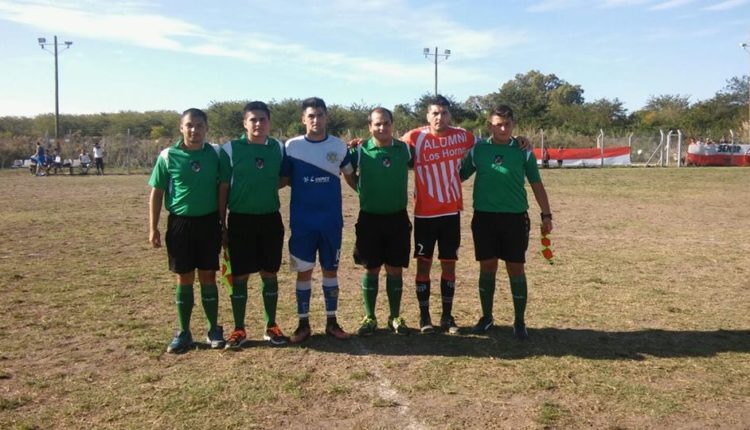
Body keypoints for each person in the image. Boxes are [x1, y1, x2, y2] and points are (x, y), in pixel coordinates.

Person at [459, 105, 553, 340]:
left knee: (516, 268)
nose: (502, 128)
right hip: (484, 218)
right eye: (497, 124)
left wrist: (546, 214)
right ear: (489, 125)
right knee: (487, 266)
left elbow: (536, 184)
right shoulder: (478, 150)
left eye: (507, 124)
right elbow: (457, 176)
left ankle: (519, 321)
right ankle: (487, 317)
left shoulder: (523, 151)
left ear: (513, 125)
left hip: (515, 218)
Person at [399, 95, 478, 334]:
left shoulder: (463, 136)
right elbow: (386, 144)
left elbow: (490, 143)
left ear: (450, 115)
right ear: (427, 116)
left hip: (450, 214)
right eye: (434, 113)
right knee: (423, 266)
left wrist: (519, 139)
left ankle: (447, 316)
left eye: (443, 113)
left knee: (449, 266)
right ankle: (425, 317)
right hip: (424, 214)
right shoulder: (414, 137)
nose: (439, 117)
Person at [148, 108, 225, 353]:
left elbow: (223, 189)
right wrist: (153, 227)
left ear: (206, 128)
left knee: (209, 277)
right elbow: (157, 193)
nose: (195, 130)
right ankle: (184, 332)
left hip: (208, 223)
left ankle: (214, 329)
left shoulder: (216, 153)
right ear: (181, 128)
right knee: (184, 277)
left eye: (200, 125)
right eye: (190, 125)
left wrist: (223, 225)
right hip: (180, 223)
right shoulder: (168, 155)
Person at [281, 97, 357, 344]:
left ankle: (332, 322)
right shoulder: (291, 147)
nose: (316, 120)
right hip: (302, 222)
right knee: (303, 272)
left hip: (330, 222)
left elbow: (350, 176)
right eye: (311, 116)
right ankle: (302, 324)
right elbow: (283, 179)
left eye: (320, 115)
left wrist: (367, 194)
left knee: (330, 270)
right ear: (303, 119)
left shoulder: (339, 146)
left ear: (327, 117)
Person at [218, 101, 289, 349]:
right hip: (240, 219)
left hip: (270, 218)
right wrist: (222, 223)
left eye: (263, 119)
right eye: (253, 120)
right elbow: (223, 187)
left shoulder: (278, 148)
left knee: (269, 272)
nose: (258, 124)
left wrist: (263, 188)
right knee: (240, 275)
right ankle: (239, 328)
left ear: (269, 122)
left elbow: (283, 177)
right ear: (244, 123)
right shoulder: (230, 149)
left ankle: (272, 325)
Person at [347, 107, 412, 336]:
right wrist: (361, 190)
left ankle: (394, 316)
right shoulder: (360, 150)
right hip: (369, 218)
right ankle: (370, 316)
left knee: (395, 269)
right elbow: (348, 173)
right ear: (370, 127)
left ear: (392, 124)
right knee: (371, 268)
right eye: (377, 124)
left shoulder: (404, 149)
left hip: (397, 217)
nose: (382, 127)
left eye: (386, 123)